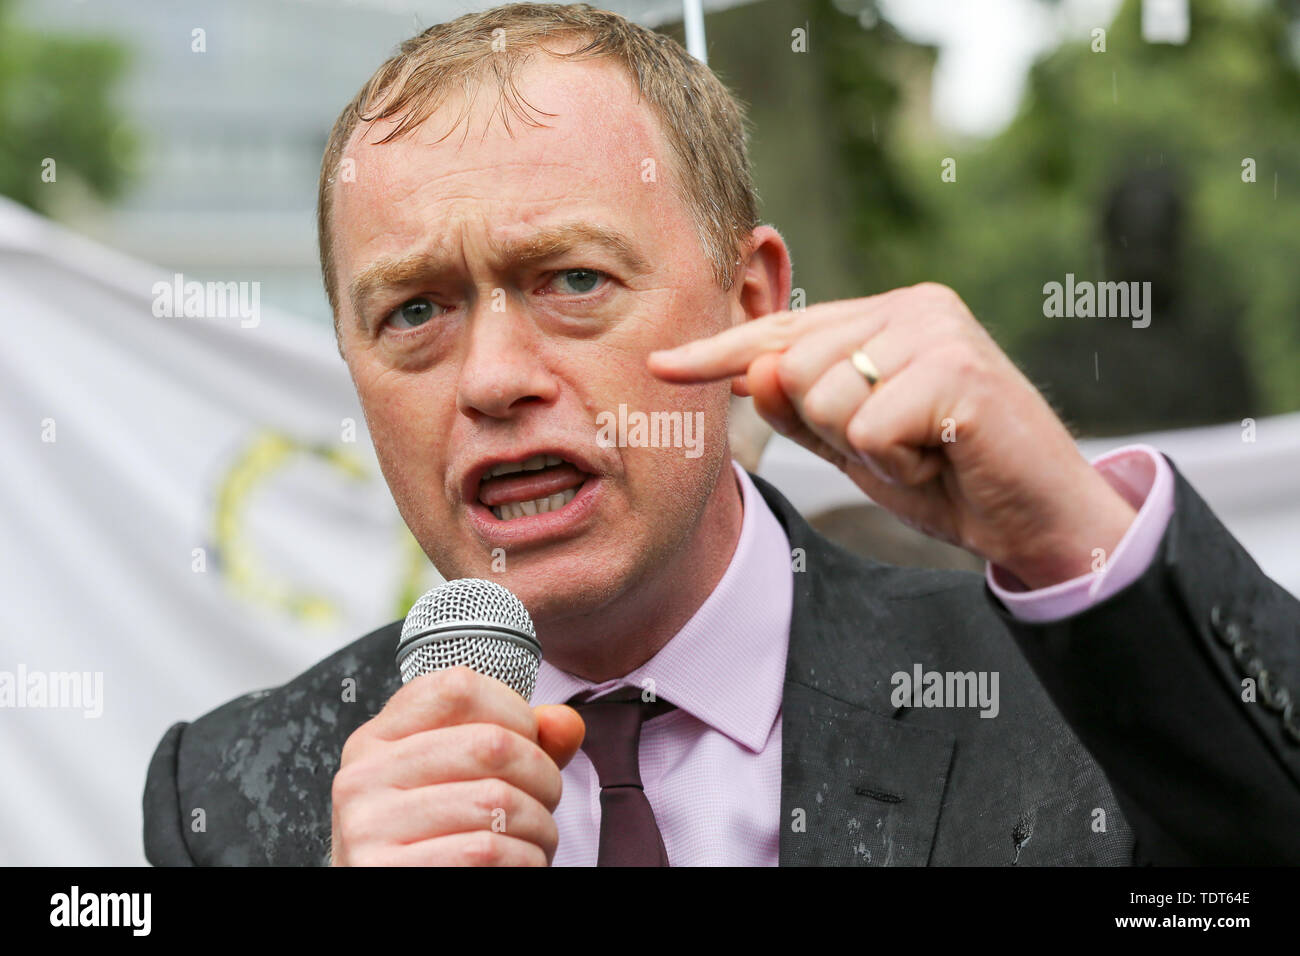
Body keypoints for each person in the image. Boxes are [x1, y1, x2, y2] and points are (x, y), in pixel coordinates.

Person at [142, 2, 1300, 866]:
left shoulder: (1060, 700)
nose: (493, 377)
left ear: (751, 304)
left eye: (573, 279)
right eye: (413, 311)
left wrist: (1072, 529)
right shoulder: (235, 801)